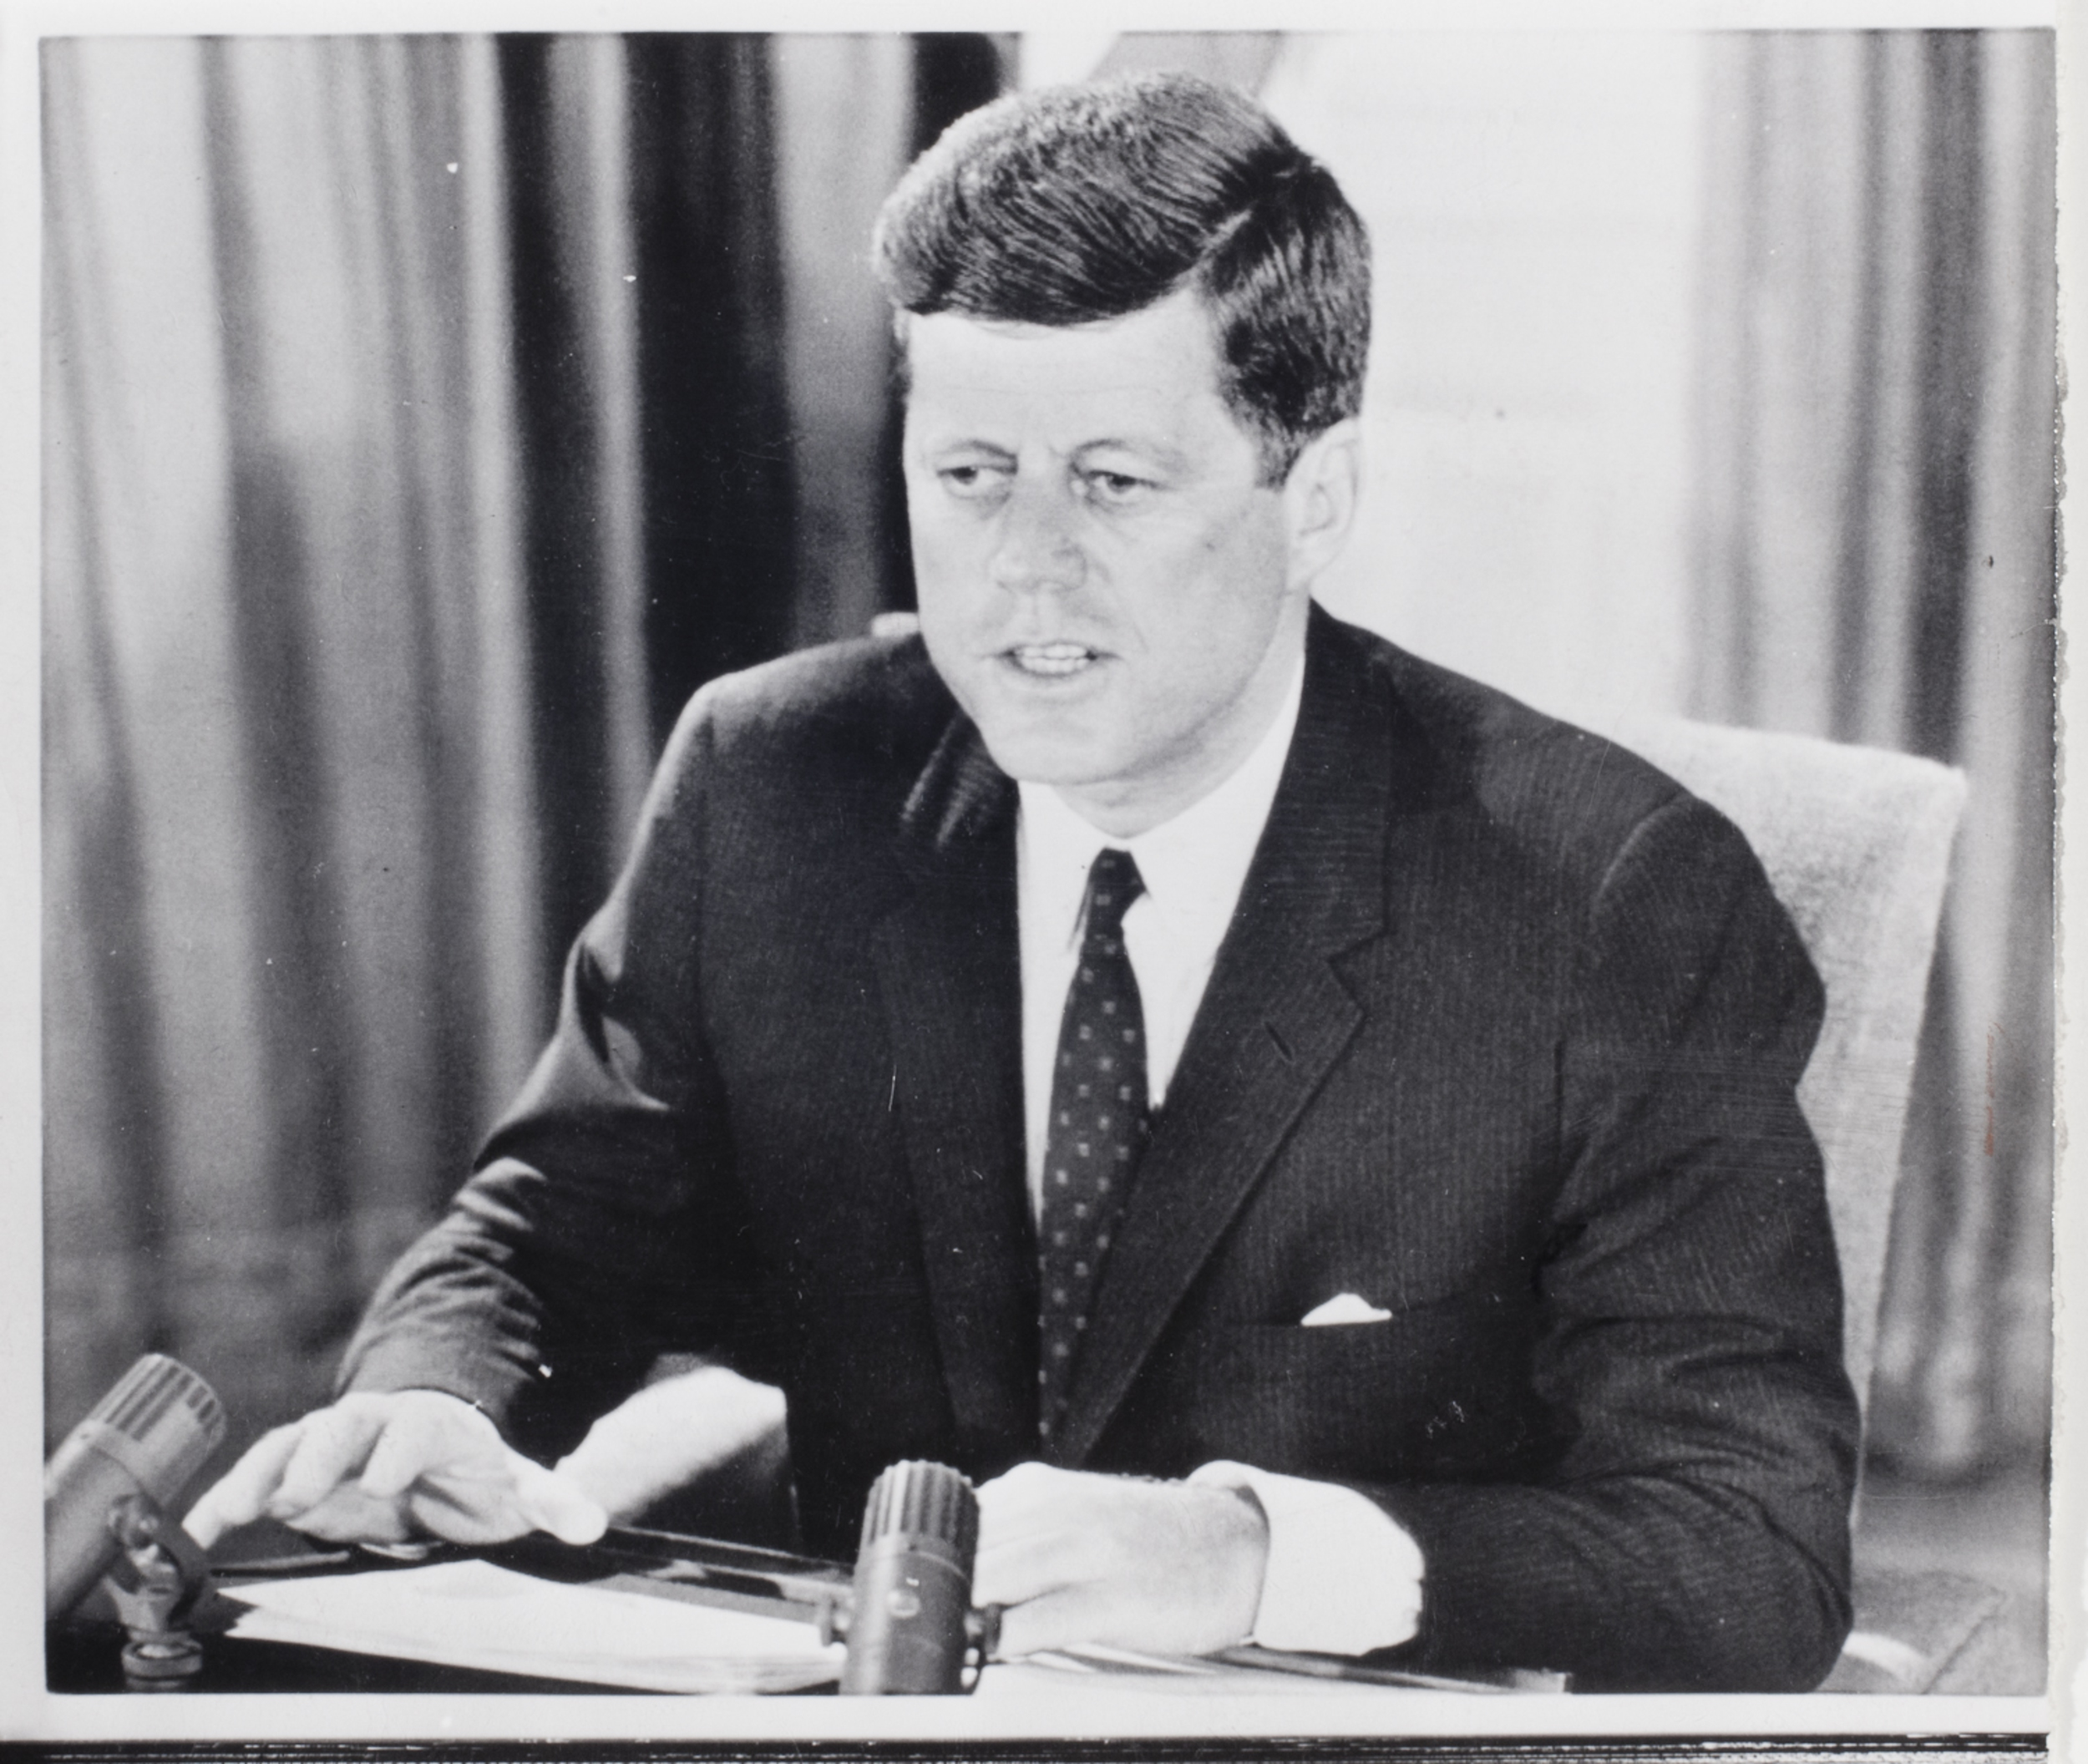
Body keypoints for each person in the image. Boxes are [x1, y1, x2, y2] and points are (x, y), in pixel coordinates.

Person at [186, 71, 1858, 1691]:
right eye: (970, 475)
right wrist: (441, 1401)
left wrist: (1249, 1558)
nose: (1020, 573)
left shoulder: (1612, 898)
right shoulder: (774, 782)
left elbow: (1748, 1548)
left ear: (1316, 497)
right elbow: (546, 1238)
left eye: (1113, 483)